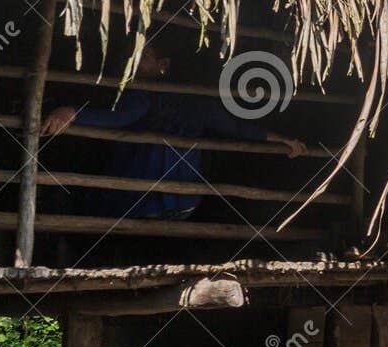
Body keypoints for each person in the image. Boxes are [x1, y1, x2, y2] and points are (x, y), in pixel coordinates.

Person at [39, 48, 307, 220]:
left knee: (88, 204)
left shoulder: (143, 94)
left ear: (163, 64)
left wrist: (72, 112)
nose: (134, 61)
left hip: (138, 199)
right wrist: (283, 139)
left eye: (143, 56)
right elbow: (237, 128)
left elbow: (119, 117)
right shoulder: (200, 102)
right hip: (184, 200)